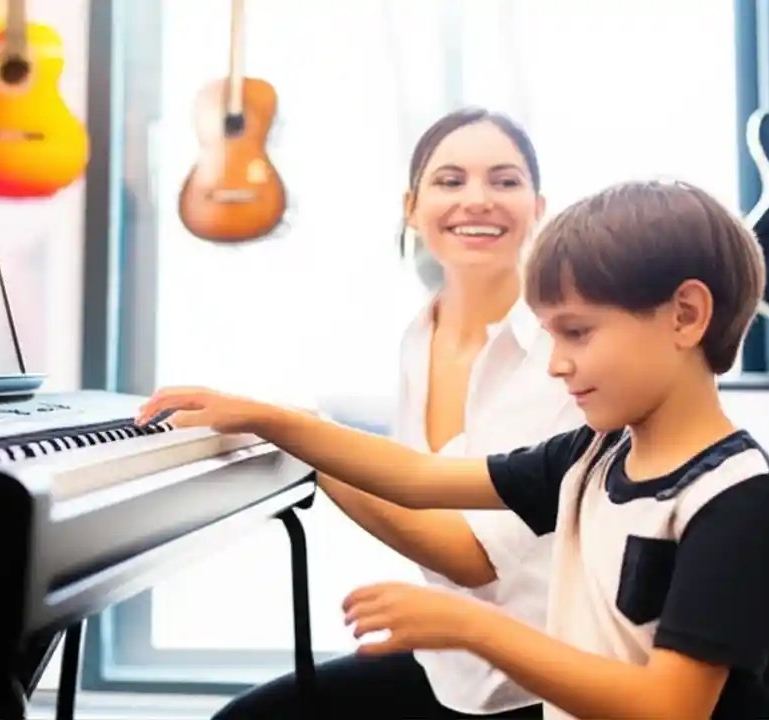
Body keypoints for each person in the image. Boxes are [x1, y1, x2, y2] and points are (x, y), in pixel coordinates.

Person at [137, 179, 769, 719]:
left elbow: (669, 708)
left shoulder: (738, 501)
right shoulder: (592, 457)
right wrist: (271, 419)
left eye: (577, 333)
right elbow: (422, 479)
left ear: (685, 316)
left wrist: (469, 625)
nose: (556, 364)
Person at [212, 107, 582, 719]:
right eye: (450, 180)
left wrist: (301, 435)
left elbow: (470, 555)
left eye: (506, 181)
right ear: (412, 206)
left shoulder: (562, 350)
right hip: (448, 666)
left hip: (541, 684)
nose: (478, 199)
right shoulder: (418, 336)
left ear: (539, 208)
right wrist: (298, 430)